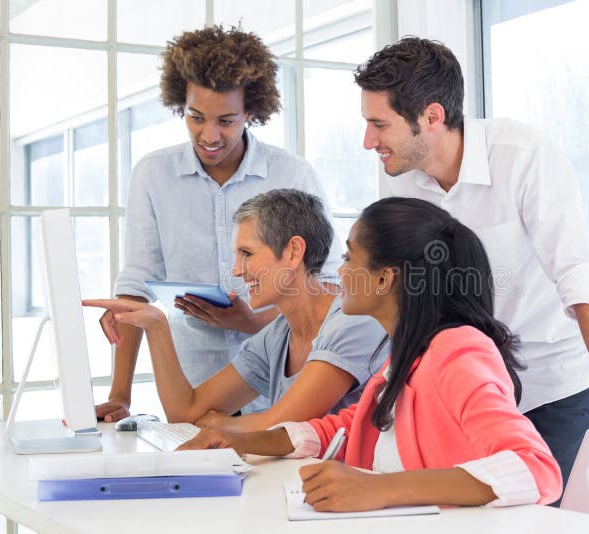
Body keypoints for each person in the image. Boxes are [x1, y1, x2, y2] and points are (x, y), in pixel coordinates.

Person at [352, 37, 589, 492]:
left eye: (378, 124)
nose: (369, 141)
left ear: (432, 116)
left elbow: (580, 275)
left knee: (542, 516)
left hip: (553, 389)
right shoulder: (402, 189)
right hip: (468, 394)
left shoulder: (521, 155)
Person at [181, 197, 563, 510]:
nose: (340, 272)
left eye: (349, 259)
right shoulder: (408, 357)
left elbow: (534, 467)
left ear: (384, 278)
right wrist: (241, 441)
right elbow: (343, 428)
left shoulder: (458, 350)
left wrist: (379, 489)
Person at [98, 26, 343, 423]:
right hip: (198, 383)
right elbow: (137, 284)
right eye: (196, 117)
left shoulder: (292, 173)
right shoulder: (153, 174)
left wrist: (255, 322)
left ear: (251, 112)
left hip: (287, 377)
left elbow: (330, 284)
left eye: (226, 120)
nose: (208, 135)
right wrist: (119, 394)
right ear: (182, 105)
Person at [85, 189, 387, 430]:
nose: (237, 271)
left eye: (247, 254)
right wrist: (155, 324)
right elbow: (187, 413)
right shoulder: (277, 336)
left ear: (294, 251)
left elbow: (280, 426)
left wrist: (221, 423)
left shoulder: (354, 320)